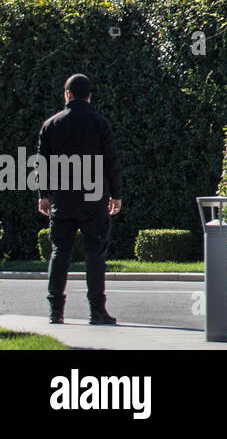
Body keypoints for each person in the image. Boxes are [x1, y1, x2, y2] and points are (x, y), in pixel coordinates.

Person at [37, 74, 124, 325]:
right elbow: (112, 162)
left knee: (60, 253)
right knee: (95, 254)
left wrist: (44, 195)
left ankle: (56, 311)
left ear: (67, 94)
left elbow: (42, 165)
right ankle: (97, 311)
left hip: (62, 199)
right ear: (89, 96)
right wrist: (116, 195)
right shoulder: (100, 123)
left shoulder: (51, 125)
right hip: (94, 199)